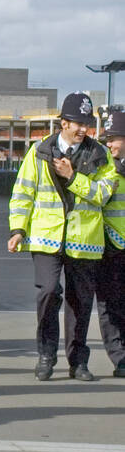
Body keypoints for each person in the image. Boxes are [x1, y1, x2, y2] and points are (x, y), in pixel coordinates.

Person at [7, 92, 119, 381]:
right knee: (48, 292)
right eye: (77, 123)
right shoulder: (39, 151)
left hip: (85, 242)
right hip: (46, 238)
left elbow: (104, 195)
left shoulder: (101, 155)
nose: (83, 129)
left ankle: (78, 362)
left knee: (80, 303)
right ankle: (46, 355)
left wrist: (73, 178)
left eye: (87, 124)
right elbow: (23, 192)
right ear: (63, 122)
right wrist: (18, 229)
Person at [94, 108, 125, 377]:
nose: (110, 144)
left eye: (114, 138)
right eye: (107, 140)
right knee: (108, 304)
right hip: (109, 247)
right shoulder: (102, 168)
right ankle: (120, 357)